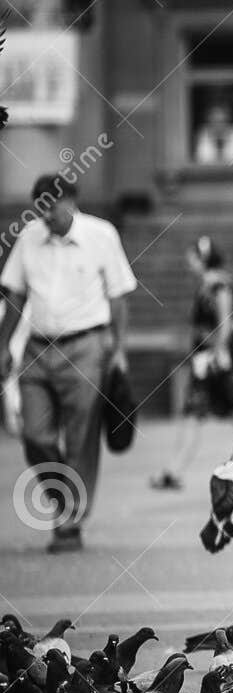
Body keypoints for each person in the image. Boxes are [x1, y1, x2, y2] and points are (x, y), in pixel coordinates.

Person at [0, 174, 137, 553]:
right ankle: (64, 496)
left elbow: (118, 296)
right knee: (35, 435)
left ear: (72, 202)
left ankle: (70, 519)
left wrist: (119, 349)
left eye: (52, 207)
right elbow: (14, 293)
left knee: (81, 437)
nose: (46, 216)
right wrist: (3, 344)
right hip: (36, 349)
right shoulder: (29, 237)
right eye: (40, 208)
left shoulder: (101, 235)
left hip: (86, 347)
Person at [150, 236, 233, 491]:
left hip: (213, 363)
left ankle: (172, 472)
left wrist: (221, 353)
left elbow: (227, 322)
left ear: (203, 259)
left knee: (207, 414)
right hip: (208, 361)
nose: (188, 263)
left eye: (192, 258)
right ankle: (173, 471)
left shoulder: (218, 285)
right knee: (231, 413)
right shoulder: (209, 284)